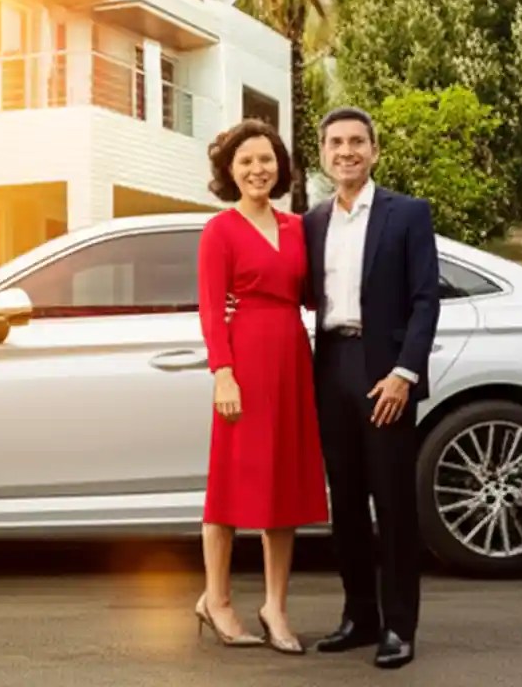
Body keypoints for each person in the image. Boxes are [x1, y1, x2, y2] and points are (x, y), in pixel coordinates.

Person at [303, 106, 440, 669]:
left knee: (393, 504)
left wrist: (404, 374)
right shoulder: (312, 221)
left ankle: (399, 627)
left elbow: (426, 299)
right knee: (348, 506)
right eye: (336, 143)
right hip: (331, 364)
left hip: (384, 373)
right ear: (324, 154)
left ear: (374, 151)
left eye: (357, 141)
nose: (347, 151)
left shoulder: (407, 214)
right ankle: (359, 617)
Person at [195, 118, 329, 655]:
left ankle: (275, 605)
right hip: (243, 363)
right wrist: (222, 372)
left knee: (285, 486)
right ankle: (217, 599)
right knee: (229, 484)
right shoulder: (220, 231)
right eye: (246, 160)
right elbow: (211, 308)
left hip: (293, 359)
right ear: (230, 170)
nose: (258, 168)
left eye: (267, 158)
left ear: (281, 168)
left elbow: (317, 294)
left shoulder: (299, 227)